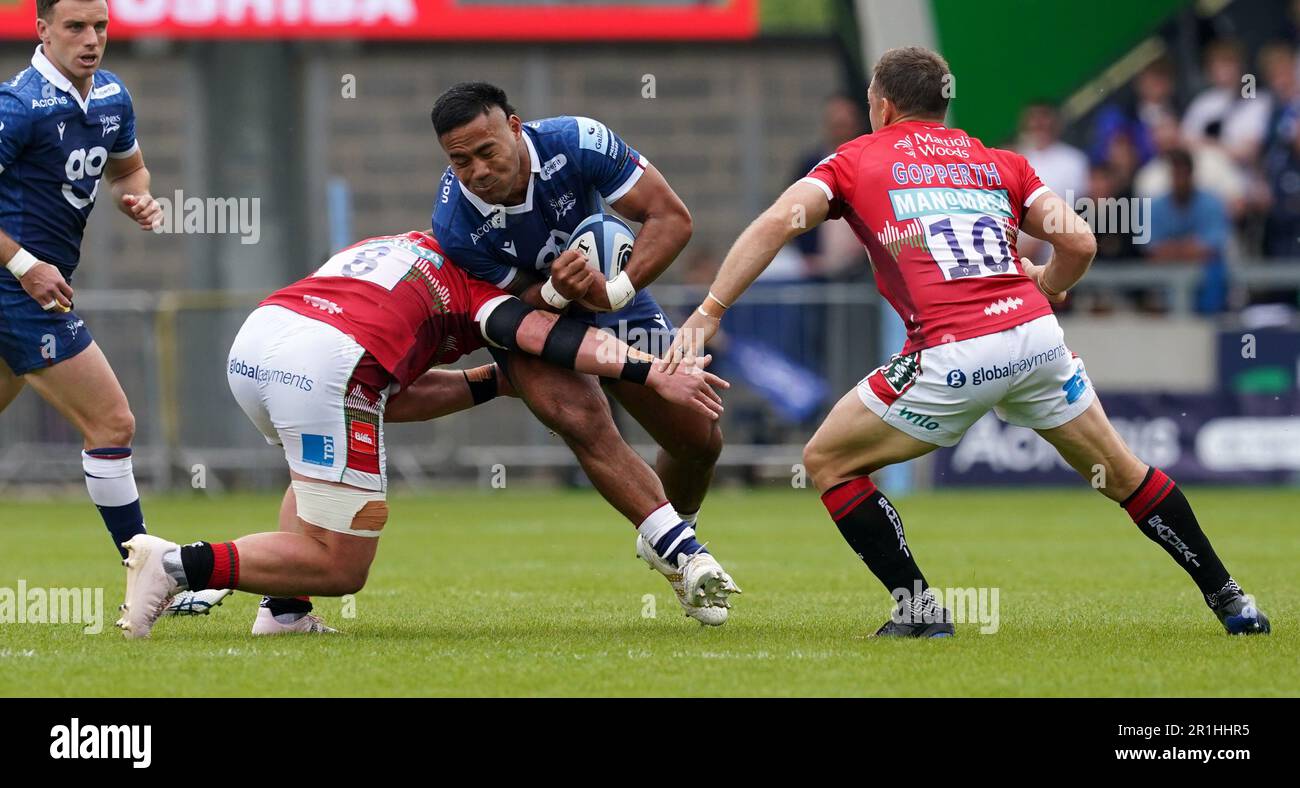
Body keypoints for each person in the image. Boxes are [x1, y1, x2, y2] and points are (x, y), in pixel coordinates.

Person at [665, 46, 1270, 638]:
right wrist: (1046, 281)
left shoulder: (855, 159)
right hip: (1035, 339)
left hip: (953, 351)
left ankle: (919, 610)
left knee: (828, 461)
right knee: (1123, 473)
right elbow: (1081, 242)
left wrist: (710, 311)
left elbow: (779, 222)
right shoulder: (997, 161)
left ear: (883, 106)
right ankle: (1231, 598)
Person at [116, 231, 731, 639]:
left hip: (262, 341)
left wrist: (489, 382)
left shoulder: (403, 244)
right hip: (327, 365)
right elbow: (554, 338)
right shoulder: (482, 286)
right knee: (341, 566)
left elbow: (386, 395)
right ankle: (175, 564)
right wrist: (653, 370)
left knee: (319, 473)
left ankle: (284, 611)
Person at [429, 83, 739, 624]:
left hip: (614, 297)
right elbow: (510, 305)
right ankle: (684, 556)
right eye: (460, 161)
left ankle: (672, 532)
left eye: (486, 151)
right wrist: (555, 292)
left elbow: (670, 217)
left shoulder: (577, 141)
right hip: (533, 322)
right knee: (582, 419)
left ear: (515, 127)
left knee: (698, 437)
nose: (476, 171)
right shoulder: (454, 224)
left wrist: (615, 291)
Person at [0, 0, 228, 615]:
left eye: (99, 26)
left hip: (38, 286)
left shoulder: (111, 96)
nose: (91, 39)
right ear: (42, 29)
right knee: (112, 424)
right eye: (75, 27)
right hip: (17, 290)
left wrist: (138, 199)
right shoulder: (18, 105)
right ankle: (153, 574)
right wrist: (24, 266)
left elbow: (130, 170)